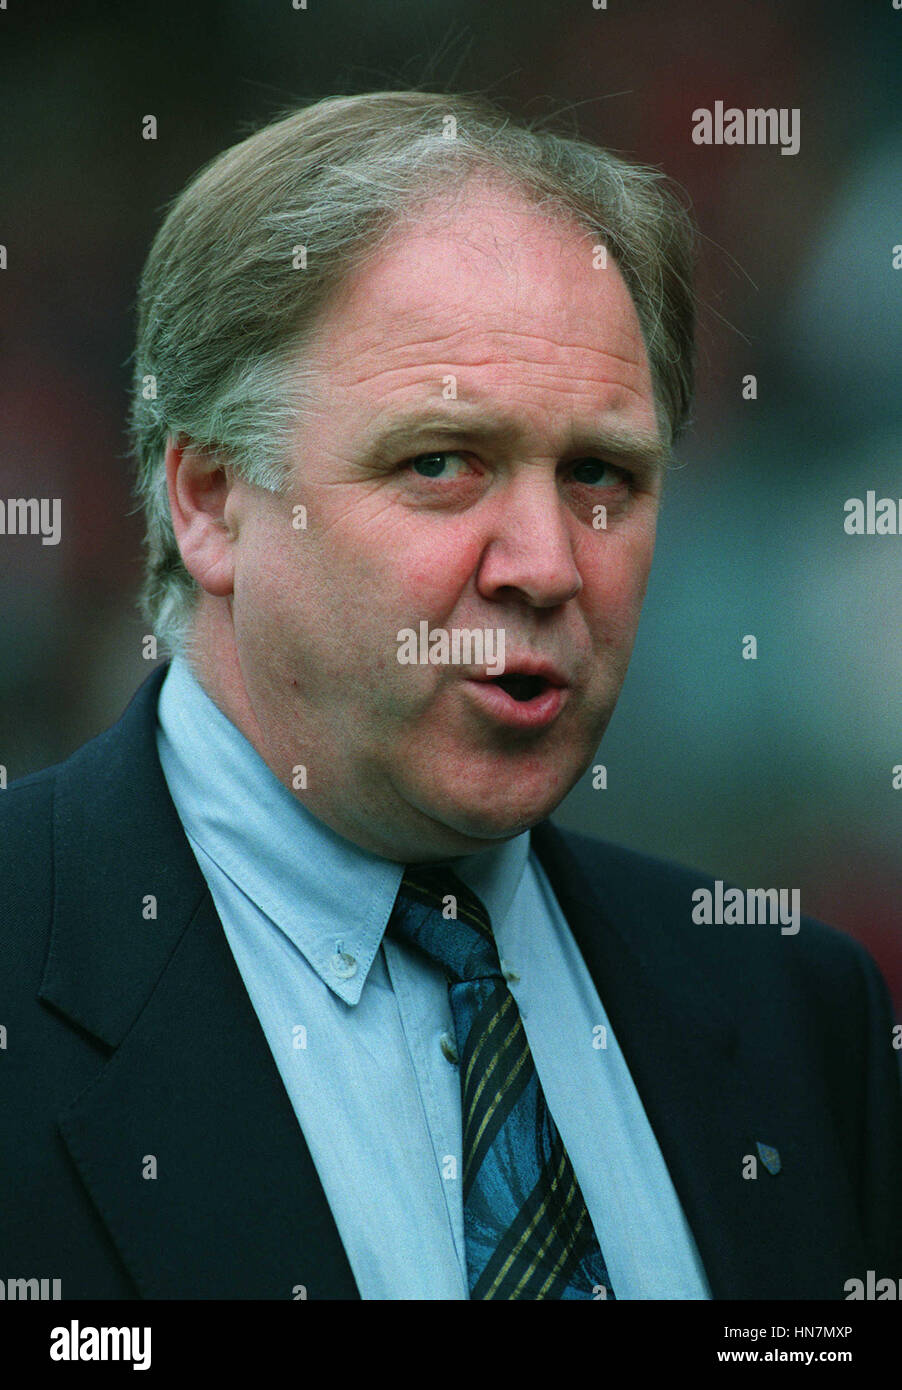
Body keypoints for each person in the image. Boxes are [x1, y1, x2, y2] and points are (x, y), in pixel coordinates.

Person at [2, 90, 899, 1301]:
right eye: (439, 462)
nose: (543, 562)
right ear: (210, 501)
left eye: (598, 474)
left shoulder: (796, 1014)